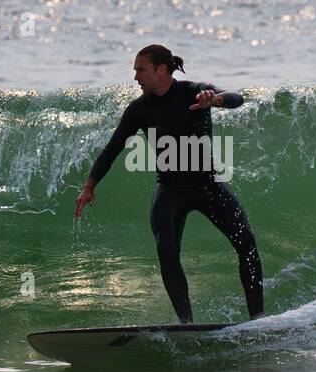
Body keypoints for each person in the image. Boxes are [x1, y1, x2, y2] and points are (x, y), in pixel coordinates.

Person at [74, 43, 265, 323]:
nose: (136, 77)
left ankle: (258, 317)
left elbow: (237, 98)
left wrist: (216, 101)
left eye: (141, 70)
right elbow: (112, 149)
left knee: (246, 244)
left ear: (161, 70)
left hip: (208, 184)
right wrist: (89, 186)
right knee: (167, 251)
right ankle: (186, 324)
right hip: (170, 190)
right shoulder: (139, 110)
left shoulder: (194, 91)